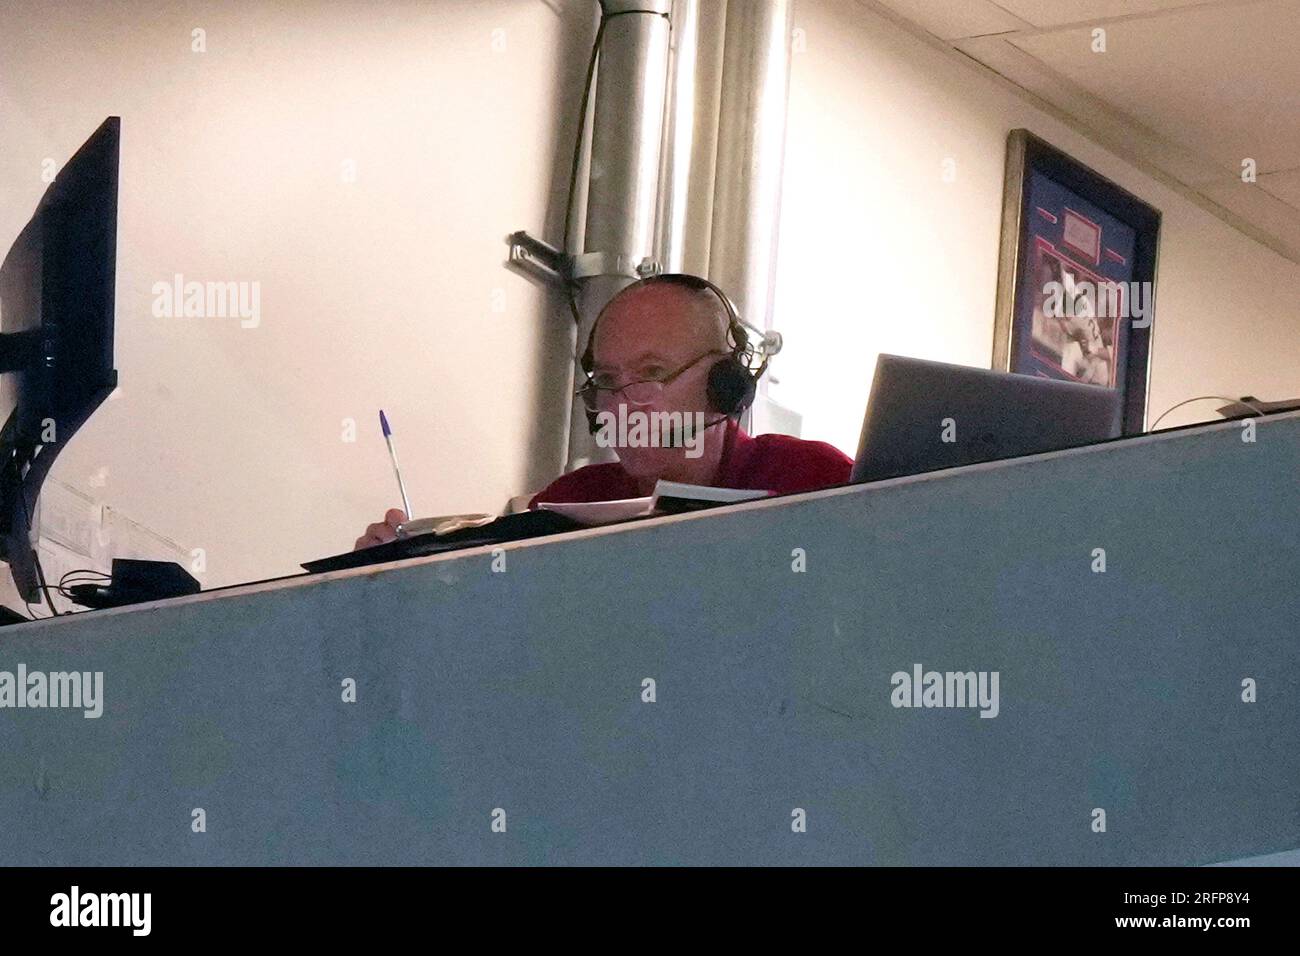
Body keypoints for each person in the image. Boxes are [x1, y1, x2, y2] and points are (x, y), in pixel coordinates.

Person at [354, 274, 851, 550]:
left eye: (652, 372)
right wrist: (392, 575)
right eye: (608, 380)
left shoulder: (815, 480)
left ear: (727, 385)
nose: (621, 402)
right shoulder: (568, 503)